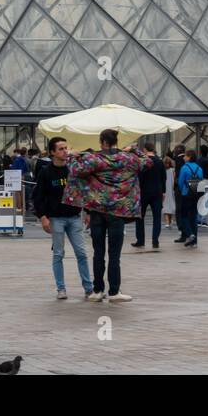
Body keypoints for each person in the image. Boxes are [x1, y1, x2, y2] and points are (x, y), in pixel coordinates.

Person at [66, 129, 151, 302]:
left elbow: (75, 169)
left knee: (98, 252)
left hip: (97, 210)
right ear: (116, 141)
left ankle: (97, 291)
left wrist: (72, 155)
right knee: (114, 254)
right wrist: (134, 149)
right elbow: (148, 162)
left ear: (102, 141)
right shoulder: (128, 159)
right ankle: (114, 292)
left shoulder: (94, 159)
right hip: (118, 211)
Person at [33, 136, 93, 300]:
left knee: (82, 253)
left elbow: (83, 190)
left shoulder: (73, 170)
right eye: (61, 149)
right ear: (52, 152)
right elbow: (38, 196)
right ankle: (61, 288)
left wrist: (87, 211)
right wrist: (43, 217)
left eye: (66, 148)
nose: (65, 151)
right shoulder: (46, 172)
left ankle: (89, 288)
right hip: (56, 218)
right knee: (58, 254)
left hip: (74, 217)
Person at [131, 143, 164, 249]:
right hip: (157, 192)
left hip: (143, 192)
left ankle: (140, 240)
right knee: (157, 217)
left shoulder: (143, 161)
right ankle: (155, 241)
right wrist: (163, 192)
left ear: (144, 150)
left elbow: (139, 177)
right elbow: (163, 178)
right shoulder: (159, 161)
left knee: (140, 217)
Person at [177, 148, 204, 248]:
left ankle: (190, 234)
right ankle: (195, 241)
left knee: (184, 216)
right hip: (196, 194)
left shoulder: (184, 167)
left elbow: (180, 182)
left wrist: (183, 190)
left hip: (186, 194)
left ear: (189, 157)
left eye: (185, 156)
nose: (184, 157)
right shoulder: (199, 168)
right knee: (193, 217)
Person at [162, 152, 176, 227]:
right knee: (169, 206)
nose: (167, 164)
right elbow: (174, 180)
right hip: (169, 190)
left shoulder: (164, 171)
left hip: (167, 190)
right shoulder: (172, 170)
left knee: (166, 206)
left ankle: (168, 222)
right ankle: (168, 221)